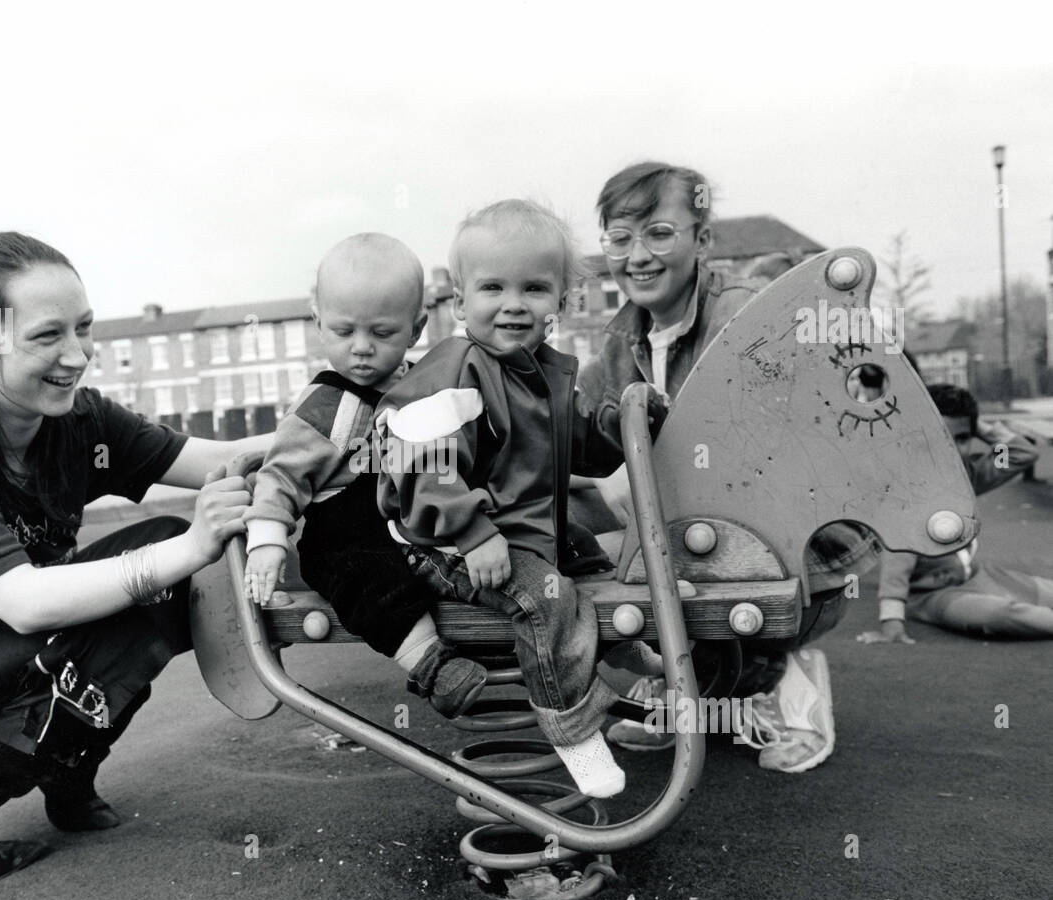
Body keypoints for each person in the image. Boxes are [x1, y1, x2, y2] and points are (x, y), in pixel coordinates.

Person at [0, 232, 270, 889]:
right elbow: (24, 601)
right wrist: (190, 548)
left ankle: (66, 772)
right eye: (47, 337)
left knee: (153, 571)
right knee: (148, 569)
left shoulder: (76, 419)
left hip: (2, 648)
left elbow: (212, 460)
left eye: (84, 328)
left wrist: (342, 428)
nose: (77, 356)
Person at [575, 161, 880, 773]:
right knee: (589, 553)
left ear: (703, 240)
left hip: (804, 545)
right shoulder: (620, 340)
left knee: (667, 558)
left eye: (659, 233)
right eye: (619, 237)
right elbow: (581, 434)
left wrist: (631, 486)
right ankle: (695, 699)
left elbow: (772, 453)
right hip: (704, 533)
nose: (637, 255)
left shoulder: (745, 319)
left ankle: (790, 684)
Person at [375, 199, 666, 798]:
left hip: (515, 533)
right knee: (544, 600)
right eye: (492, 287)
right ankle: (573, 728)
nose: (513, 303)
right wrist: (471, 532)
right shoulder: (452, 372)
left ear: (560, 301)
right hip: (442, 543)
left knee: (590, 556)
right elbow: (427, 468)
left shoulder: (546, 373)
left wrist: (628, 420)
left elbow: (585, 446)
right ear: (460, 302)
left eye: (534, 288)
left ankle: (614, 640)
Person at [243, 233, 487, 716]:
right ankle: (429, 661)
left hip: (417, 522)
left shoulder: (427, 388)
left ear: (416, 329)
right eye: (343, 332)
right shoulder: (323, 407)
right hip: (348, 534)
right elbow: (280, 476)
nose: (360, 349)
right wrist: (268, 537)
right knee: (362, 574)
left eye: (381, 334)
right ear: (318, 324)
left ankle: (553, 618)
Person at [859, 383, 1049, 642]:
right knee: (1002, 614)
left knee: (1046, 592)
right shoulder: (910, 492)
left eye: (961, 439)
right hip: (933, 593)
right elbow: (897, 560)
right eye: (942, 438)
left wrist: (978, 426)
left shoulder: (968, 476)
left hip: (979, 575)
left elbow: (1021, 454)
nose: (953, 449)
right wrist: (891, 621)